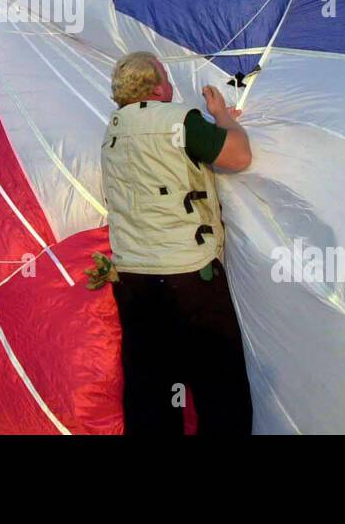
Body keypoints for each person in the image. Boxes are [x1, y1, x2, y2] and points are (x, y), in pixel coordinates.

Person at [88, 50, 254, 435]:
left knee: (151, 397)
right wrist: (223, 117)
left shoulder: (112, 129)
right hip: (189, 276)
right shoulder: (179, 119)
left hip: (134, 281)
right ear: (158, 85)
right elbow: (239, 156)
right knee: (221, 394)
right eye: (166, 75)